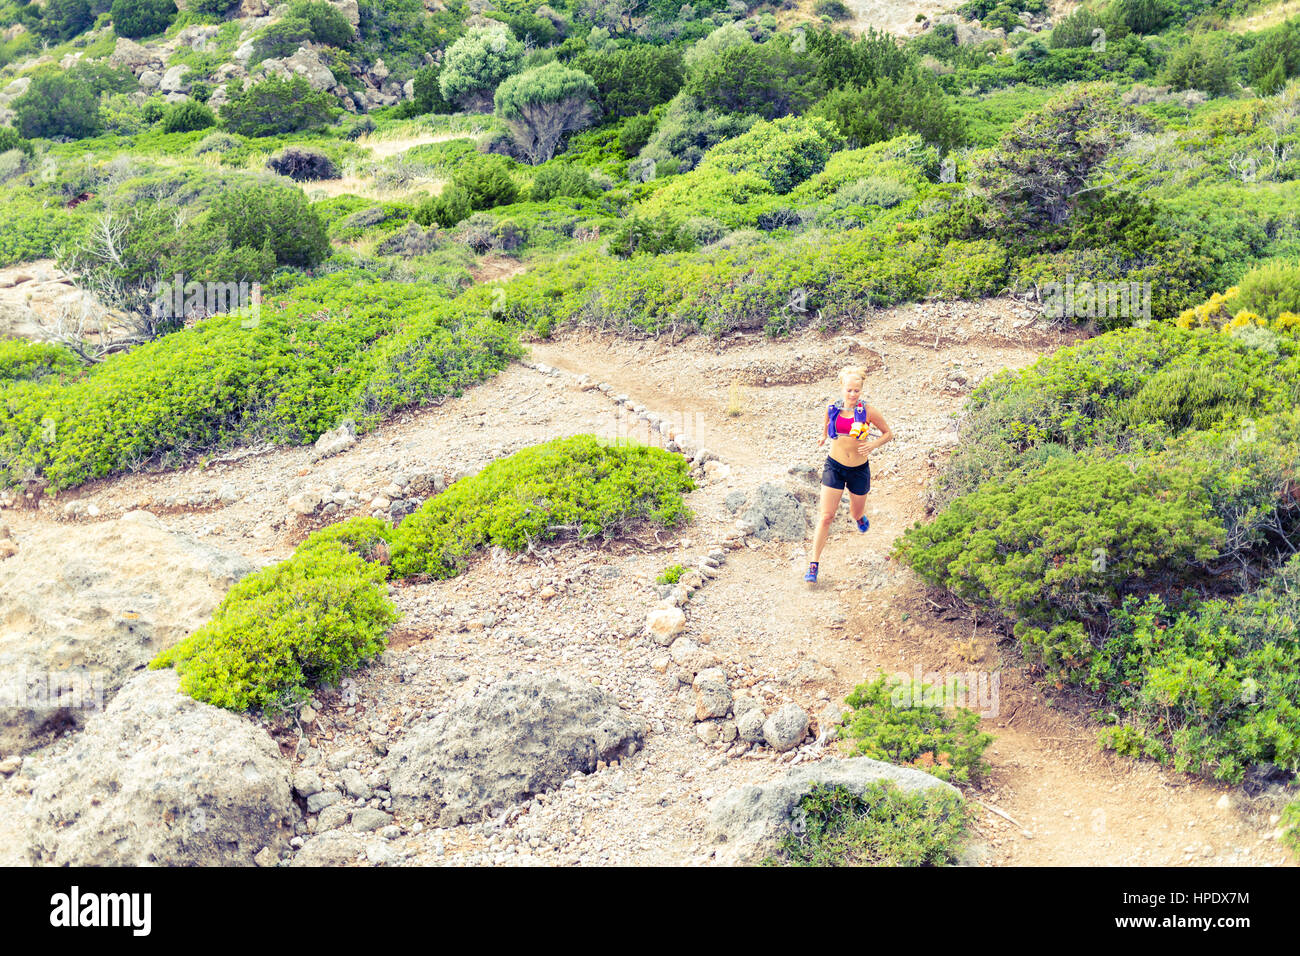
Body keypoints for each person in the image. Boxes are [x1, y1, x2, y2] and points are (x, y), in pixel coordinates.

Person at [805, 365, 893, 583]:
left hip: (859, 470)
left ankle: (859, 517)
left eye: (857, 391)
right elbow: (826, 424)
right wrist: (823, 436)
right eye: (849, 390)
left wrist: (872, 445)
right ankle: (813, 565)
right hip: (834, 466)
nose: (853, 394)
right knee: (826, 516)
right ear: (841, 388)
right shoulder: (832, 408)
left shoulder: (868, 411)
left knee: (855, 513)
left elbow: (888, 434)